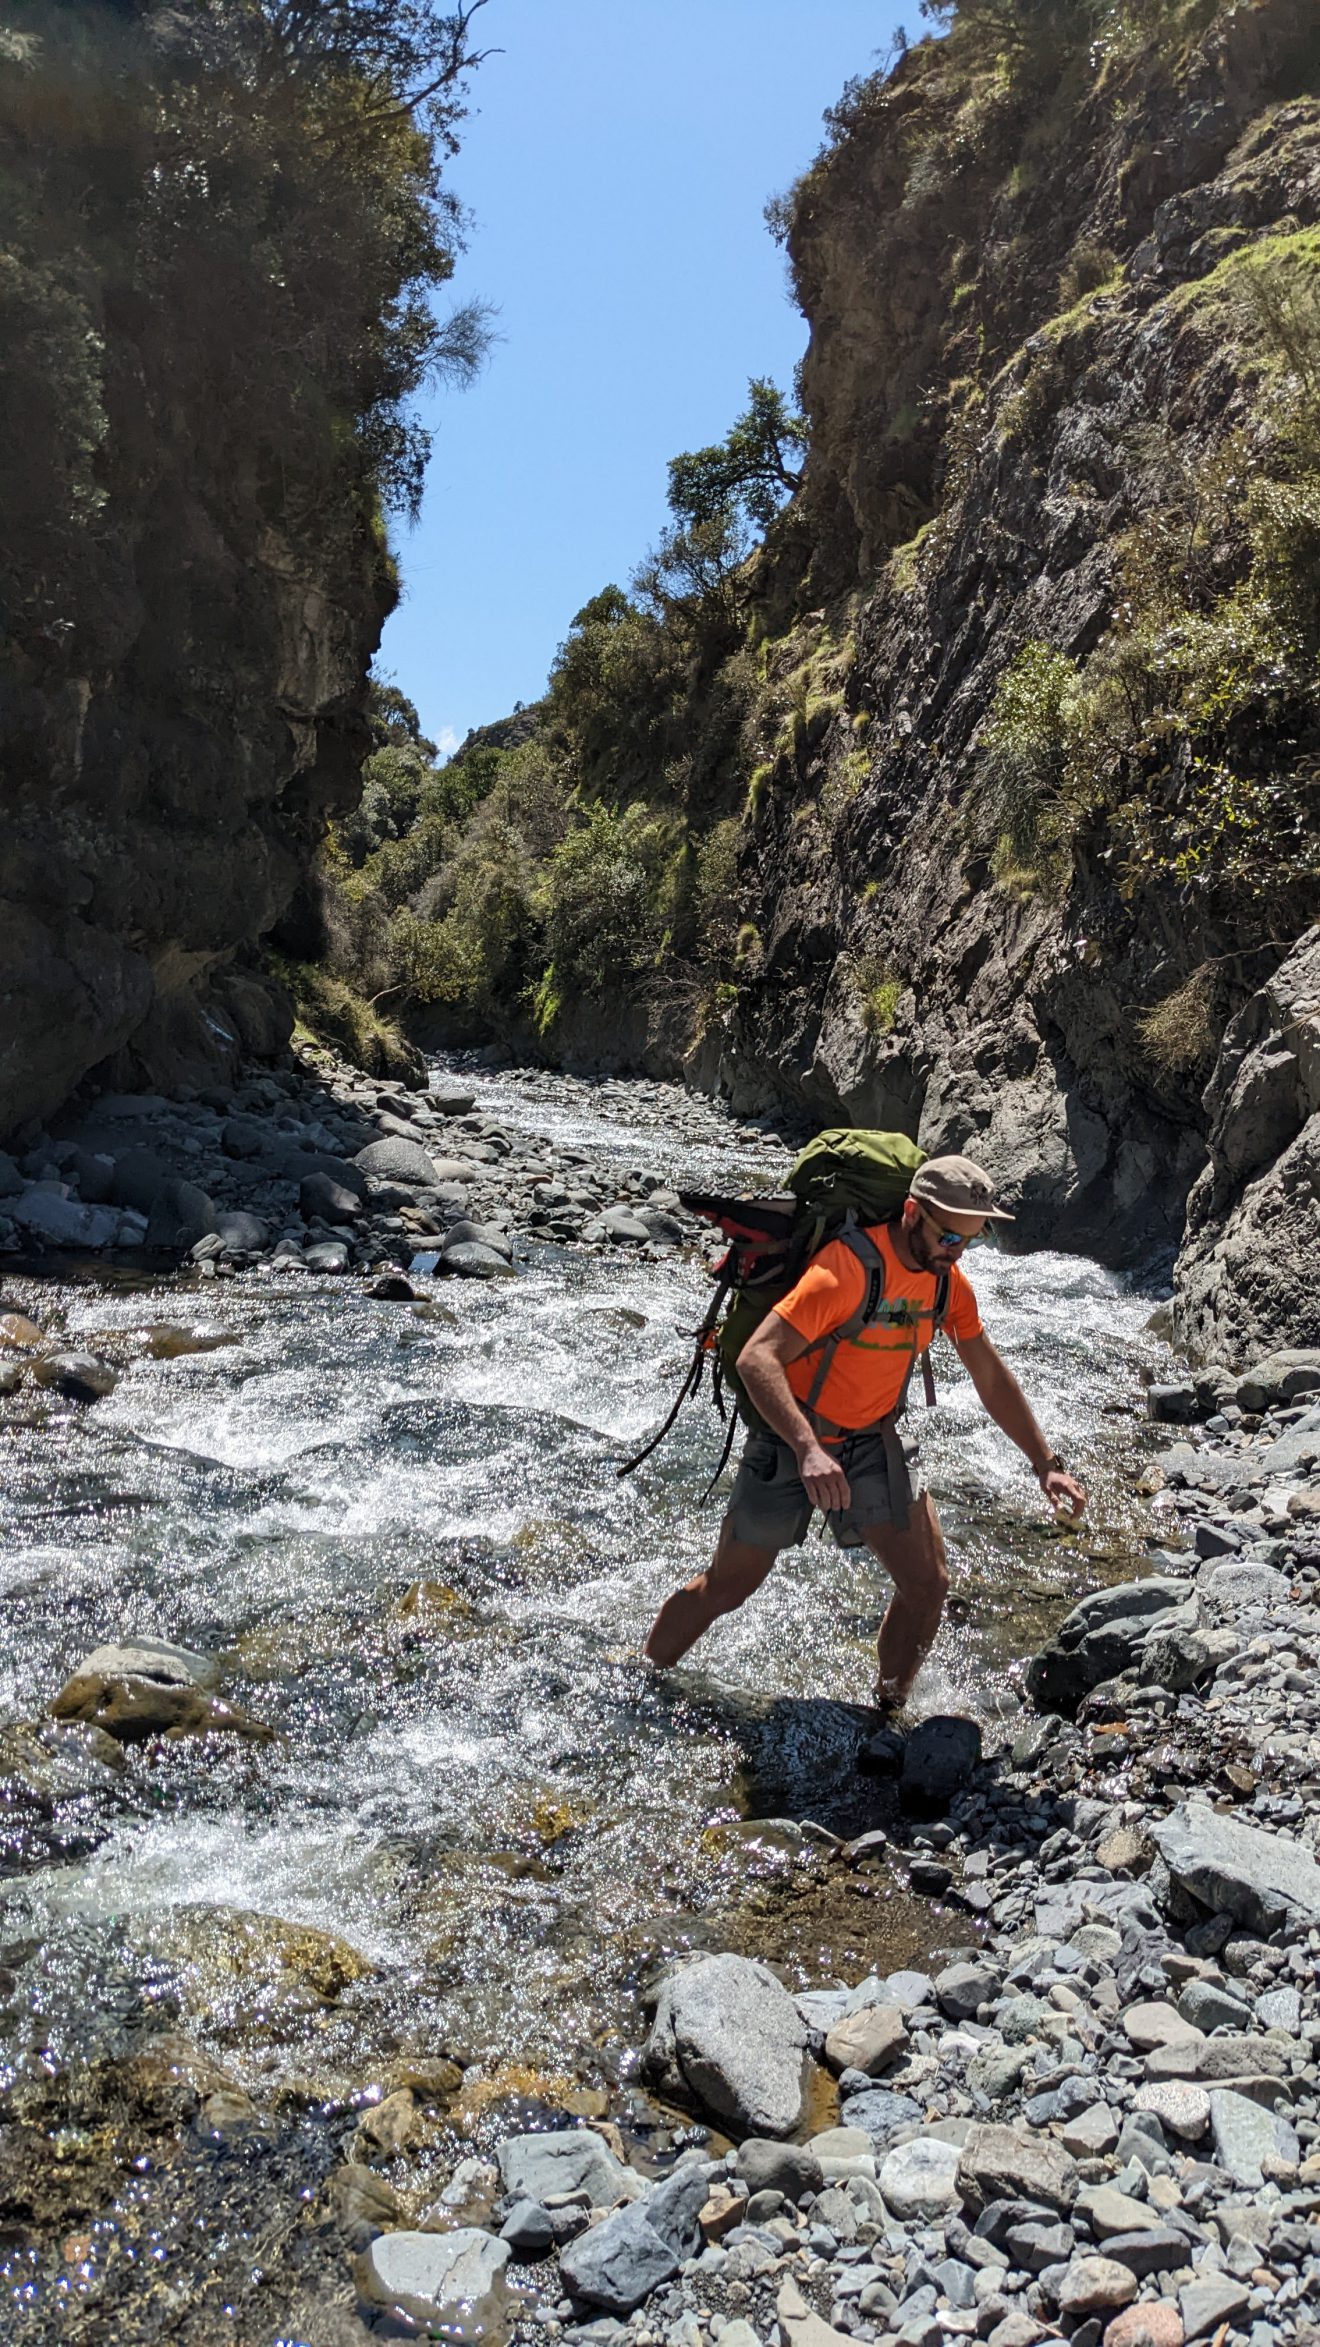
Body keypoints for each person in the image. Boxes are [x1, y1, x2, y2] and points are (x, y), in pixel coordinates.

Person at [642, 1152, 1088, 1704]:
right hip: (791, 1438)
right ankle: (643, 1677)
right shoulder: (845, 1270)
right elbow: (758, 1359)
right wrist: (807, 1447)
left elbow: (990, 1377)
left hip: (871, 1440)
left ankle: (888, 1710)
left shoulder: (948, 1286)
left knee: (928, 1586)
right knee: (728, 1586)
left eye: (969, 1242)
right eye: (948, 1238)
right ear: (910, 1213)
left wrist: (1045, 1464)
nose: (956, 1253)